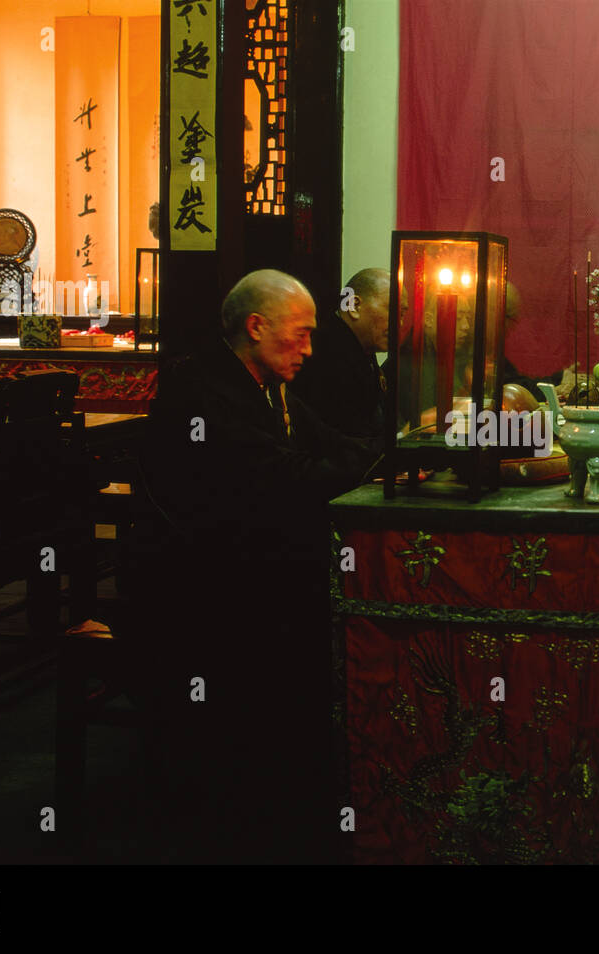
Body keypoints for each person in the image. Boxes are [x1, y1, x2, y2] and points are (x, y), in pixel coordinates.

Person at [129, 269, 375, 864]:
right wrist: (370, 470)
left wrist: (384, 461)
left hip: (253, 559)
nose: (310, 350)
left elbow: (330, 445)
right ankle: (263, 806)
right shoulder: (205, 390)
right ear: (256, 326)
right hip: (204, 586)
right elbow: (277, 479)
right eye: (301, 335)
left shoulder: (269, 381)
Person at [290, 267, 390, 445]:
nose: (399, 322)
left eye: (403, 313)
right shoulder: (323, 354)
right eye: (391, 309)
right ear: (353, 306)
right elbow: (339, 438)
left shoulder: (363, 347)